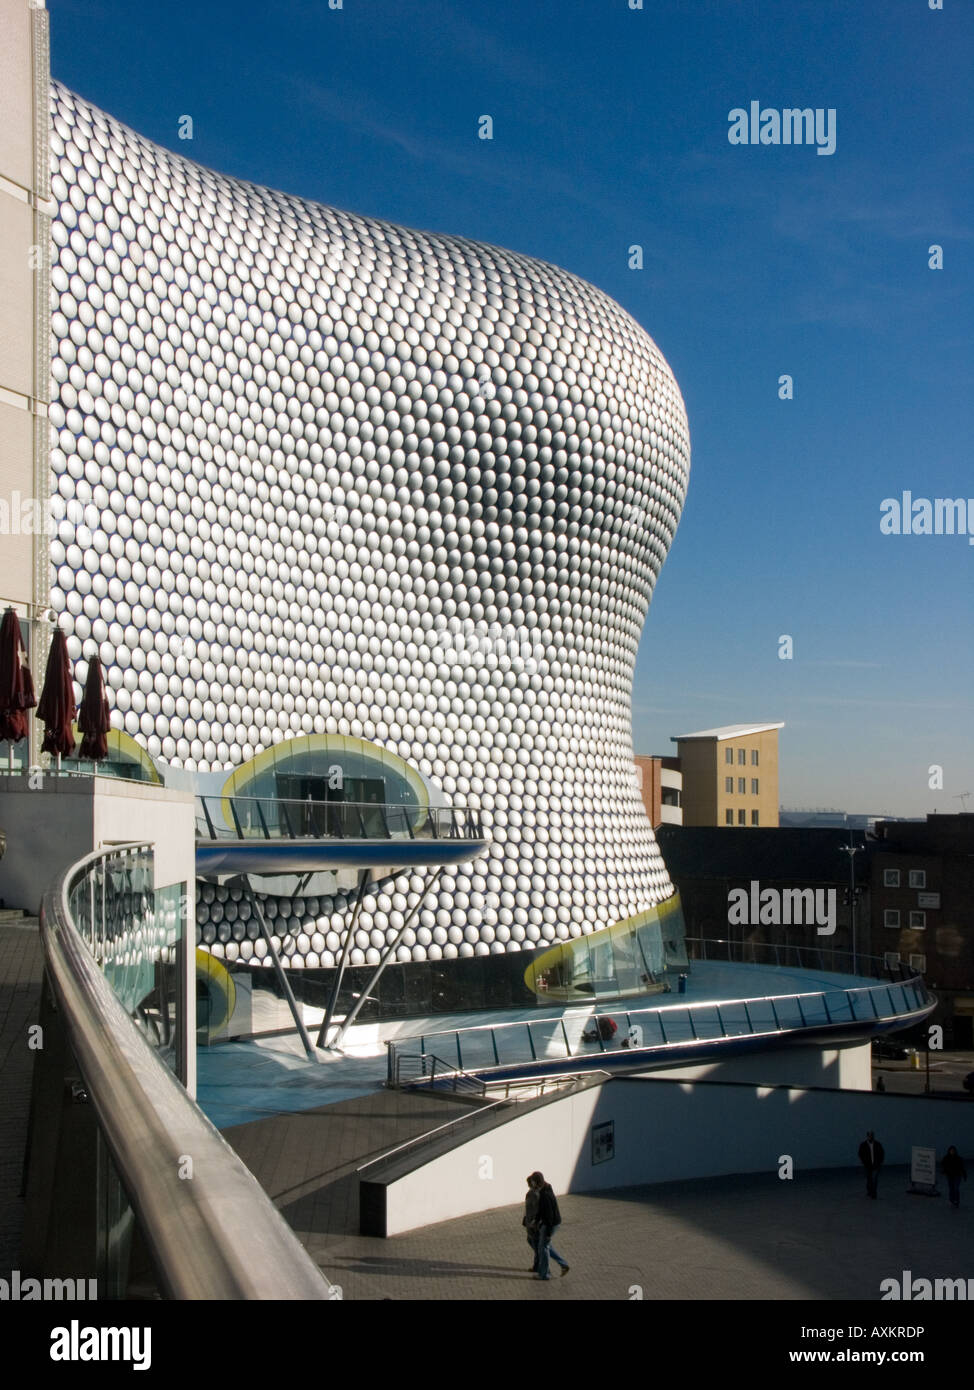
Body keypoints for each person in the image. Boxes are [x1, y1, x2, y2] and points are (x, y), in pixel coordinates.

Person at [529, 1171, 569, 1280]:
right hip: (550, 1223)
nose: (531, 1184)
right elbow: (542, 1211)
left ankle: (544, 1274)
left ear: (536, 1182)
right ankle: (563, 1264)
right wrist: (536, 1221)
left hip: (549, 1225)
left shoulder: (545, 1195)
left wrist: (548, 1233)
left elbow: (549, 1215)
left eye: (532, 1181)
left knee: (543, 1248)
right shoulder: (546, 1189)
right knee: (546, 1246)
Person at [858, 1130, 884, 1198]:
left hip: (876, 1165)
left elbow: (882, 1153)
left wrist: (880, 1162)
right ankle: (870, 1191)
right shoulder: (863, 1145)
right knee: (869, 1179)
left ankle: (874, 1193)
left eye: (872, 1135)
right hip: (867, 1166)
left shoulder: (878, 1144)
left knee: (875, 1179)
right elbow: (860, 1154)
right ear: (867, 1136)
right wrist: (864, 1162)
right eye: (869, 1136)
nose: (871, 1137)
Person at [523, 1174, 541, 1271]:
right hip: (531, 1221)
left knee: (534, 1242)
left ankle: (537, 1265)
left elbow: (533, 1209)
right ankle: (538, 1264)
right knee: (533, 1241)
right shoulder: (534, 1192)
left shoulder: (532, 1194)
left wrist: (532, 1221)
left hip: (532, 1223)